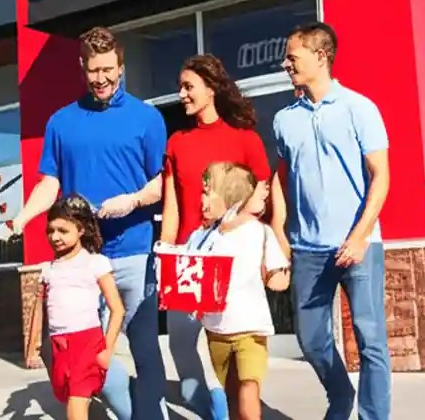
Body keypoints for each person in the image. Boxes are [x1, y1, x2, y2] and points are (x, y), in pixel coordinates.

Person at [0, 26, 169, 420]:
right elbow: (50, 183)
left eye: (109, 69)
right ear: (82, 67)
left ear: (122, 66)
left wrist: (134, 200)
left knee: (144, 349)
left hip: (133, 252)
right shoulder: (61, 122)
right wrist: (21, 220)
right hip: (82, 262)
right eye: (94, 70)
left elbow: (163, 184)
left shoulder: (147, 118)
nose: (102, 78)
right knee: (91, 354)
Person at [271, 21, 392, 420]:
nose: (286, 63)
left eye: (293, 56)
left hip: (359, 246)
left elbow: (381, 175)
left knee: (370, 339)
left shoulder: (360, 108)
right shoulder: (284, 119)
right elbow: (282, 177)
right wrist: (280, 235)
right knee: (311, 339)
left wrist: (359, 237)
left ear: (321, 56)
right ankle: (341, 396)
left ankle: (373, 416)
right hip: (308, 249)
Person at [158, 54, 280, 420]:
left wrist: (240, 229)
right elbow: (173, 206)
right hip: (188, 259)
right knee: (182, 346)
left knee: (231, 348)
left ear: (211, 89)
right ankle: (214, 408)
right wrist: (167, 257)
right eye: (180, 87)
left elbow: (262, 195)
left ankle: (227, 409)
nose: (181, 94)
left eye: (188, 86)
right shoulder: (177, 142)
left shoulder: (245, 140)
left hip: (231, 260)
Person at [183, 162, 289, 420]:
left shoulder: (259, 233)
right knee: (231, 392)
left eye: (209, 193)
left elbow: (279, 282)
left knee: (248, 386)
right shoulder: (200, 237)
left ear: (230, 197)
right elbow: (187, 280)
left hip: (251, 329)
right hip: (216, 329)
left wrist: (279, 258)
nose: (202, 199)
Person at [26, 195, 125, 420]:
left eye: (63, 230)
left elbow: (117, 309)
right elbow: (38, 309)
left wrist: (107, 350)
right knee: (68, 399)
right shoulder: (48, 269)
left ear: (80, 229)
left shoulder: (94, 263)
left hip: (87, 344)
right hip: (59, 346)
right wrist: (32, 346)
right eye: (51, 231)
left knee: (76, 407)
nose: (55, 237)